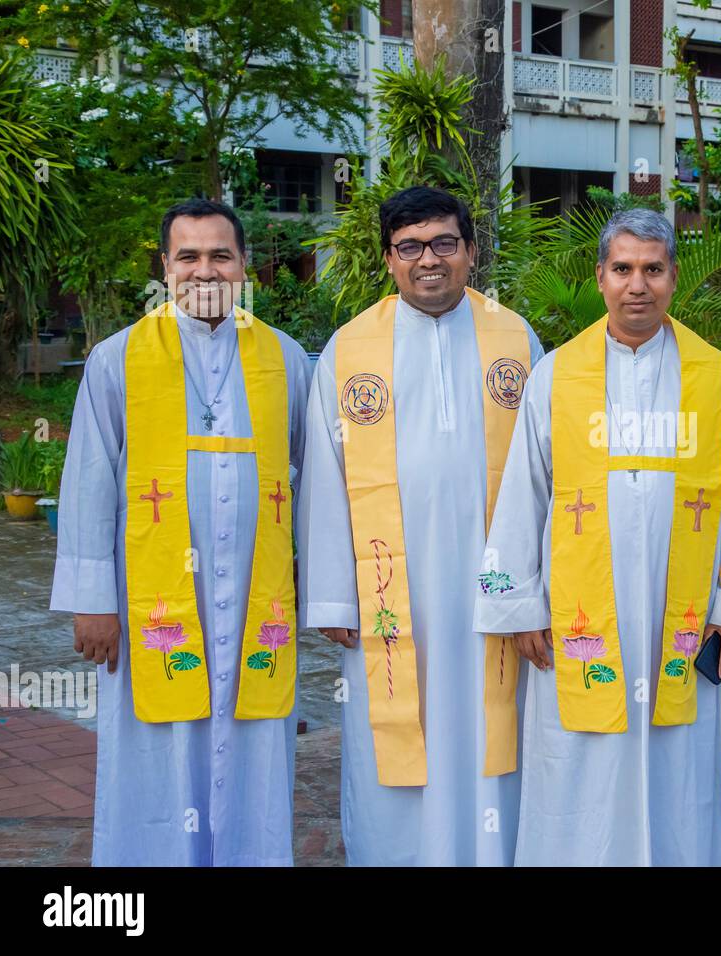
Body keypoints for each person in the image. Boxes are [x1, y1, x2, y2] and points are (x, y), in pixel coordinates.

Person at [474, 209, 721, 866]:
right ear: (601, 276)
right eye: (624, 269)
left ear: (674, 277)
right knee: (579, 769)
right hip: (581, 617)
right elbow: (524, 493)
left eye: (653, 269)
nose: (638, 285)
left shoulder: (713, 375)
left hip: (678, 615)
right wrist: (520, 607)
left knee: (676, 770)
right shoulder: (556, 374)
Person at [52, 198, 311, 865]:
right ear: (165, 266)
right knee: (155, 747)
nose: (205, 270)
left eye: (220, 255)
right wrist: (92, 601)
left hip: (255, 597)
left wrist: (322, 589)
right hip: (153, 597)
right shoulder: (118, 359)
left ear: (244, 264)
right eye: (188, 255)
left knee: (256, 743)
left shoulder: (284, 359)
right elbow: (89, 481)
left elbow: (315, 477)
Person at [296, 186, 542, 865]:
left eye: (443, 243)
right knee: (394, 739)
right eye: (409, 247)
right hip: (388, 589)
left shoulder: (516, 339)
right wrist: (333, 595)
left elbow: (546, 470)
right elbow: (323, 477)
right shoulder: (349, 350)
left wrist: (535, 588)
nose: (428, 260)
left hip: (493, 584)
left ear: (471, 251)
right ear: (388, 258)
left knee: (491, 733)